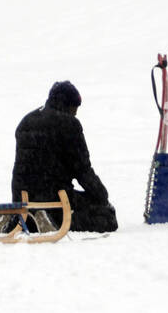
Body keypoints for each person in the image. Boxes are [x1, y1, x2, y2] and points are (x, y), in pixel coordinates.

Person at [9, 80, 117, 233]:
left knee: (36, 203)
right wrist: (102, 196)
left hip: (22, 199)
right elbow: (83, 171)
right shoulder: (69, 125)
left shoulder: (26, 121)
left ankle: (20, 220)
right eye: (75, 107)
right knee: (108, 218)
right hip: (54, 197)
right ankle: (49, 219)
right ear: (67, 104)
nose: (76, 113)